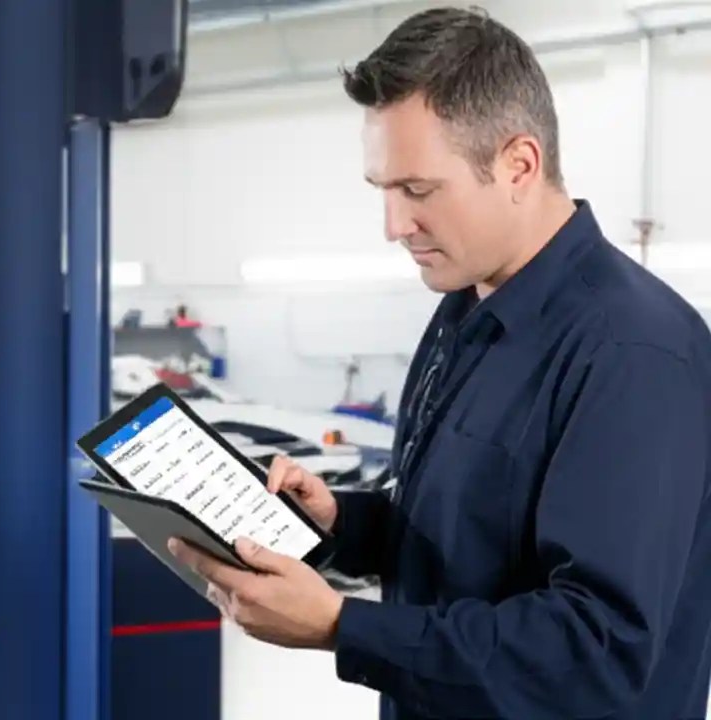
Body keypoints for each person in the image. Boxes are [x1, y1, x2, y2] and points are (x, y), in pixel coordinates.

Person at [169, 7, 711, 719]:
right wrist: (342, 524)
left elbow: (595, 650)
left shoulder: (632, 352)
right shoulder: (466, 307)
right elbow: (468, 529)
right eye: (384, 191)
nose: (394, 226)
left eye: (418, 191)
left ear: (519, 165)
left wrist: (340, 627)